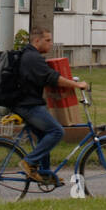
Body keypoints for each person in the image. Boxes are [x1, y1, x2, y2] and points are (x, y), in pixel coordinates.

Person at [14, 26, 88, 186]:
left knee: (44, 135)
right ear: (36, 40)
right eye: (47, 40)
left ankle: (45, 174)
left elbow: (46, 78)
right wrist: (76, 85)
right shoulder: (33, 58)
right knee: (56, 131)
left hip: (24, 104)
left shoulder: (28, 56)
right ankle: (29, 162)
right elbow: (52, 78)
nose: (50, 44)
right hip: (29, 106)